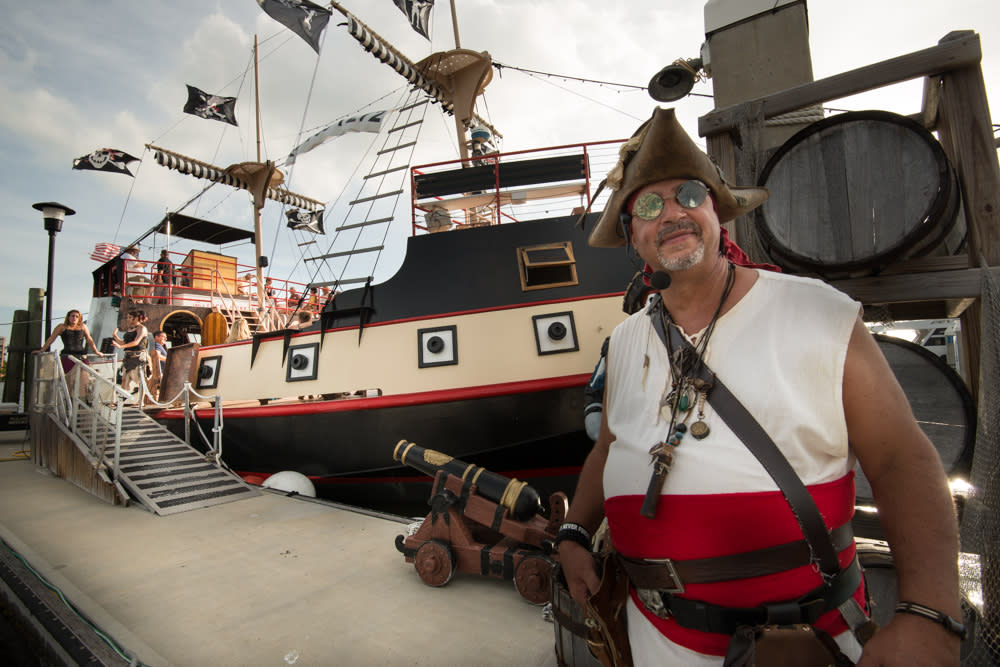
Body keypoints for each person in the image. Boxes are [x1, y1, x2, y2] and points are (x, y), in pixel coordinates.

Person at [557, 108, 962, 666]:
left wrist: (929, 610)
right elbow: (610, 447)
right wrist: (577, 532)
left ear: (717, 211)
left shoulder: (816, 311)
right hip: (654, 637)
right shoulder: (625, 342)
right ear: (634, 237)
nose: (671, 213)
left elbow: (899, 459)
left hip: (800, 643)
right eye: (648, 206)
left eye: (689, 194)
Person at [37, 309, 103, 373]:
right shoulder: (61, 327)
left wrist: (96, 351)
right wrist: (42, 350)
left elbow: (89, 339)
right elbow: (51, 339)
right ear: (68, 317)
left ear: (79, 318)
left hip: (81, 356)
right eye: (72, 316)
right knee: (70, 379)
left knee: (85, 376)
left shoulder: (83, 326)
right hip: (67, 356)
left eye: (77, 316)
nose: (74, 318)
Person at [112, 309, 149, 395]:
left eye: (130, 317)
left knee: (140, 379)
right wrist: (115, 337)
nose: (128, 319)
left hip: (138, 357)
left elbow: (136, 342)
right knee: (124, 379)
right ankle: (121, 399)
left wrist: (120, 346)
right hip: (128, 356)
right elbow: (125, 343)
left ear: (136, 319)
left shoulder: (142, 328)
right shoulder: (130, 329)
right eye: (127, 317)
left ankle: (140, 402)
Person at [148, 330, 168, 399]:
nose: (166, 339)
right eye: (163, 337)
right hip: (160, 372)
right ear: (156, 337)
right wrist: (170, 359)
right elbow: (157, 355)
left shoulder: (155, 345)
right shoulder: (157, 345)